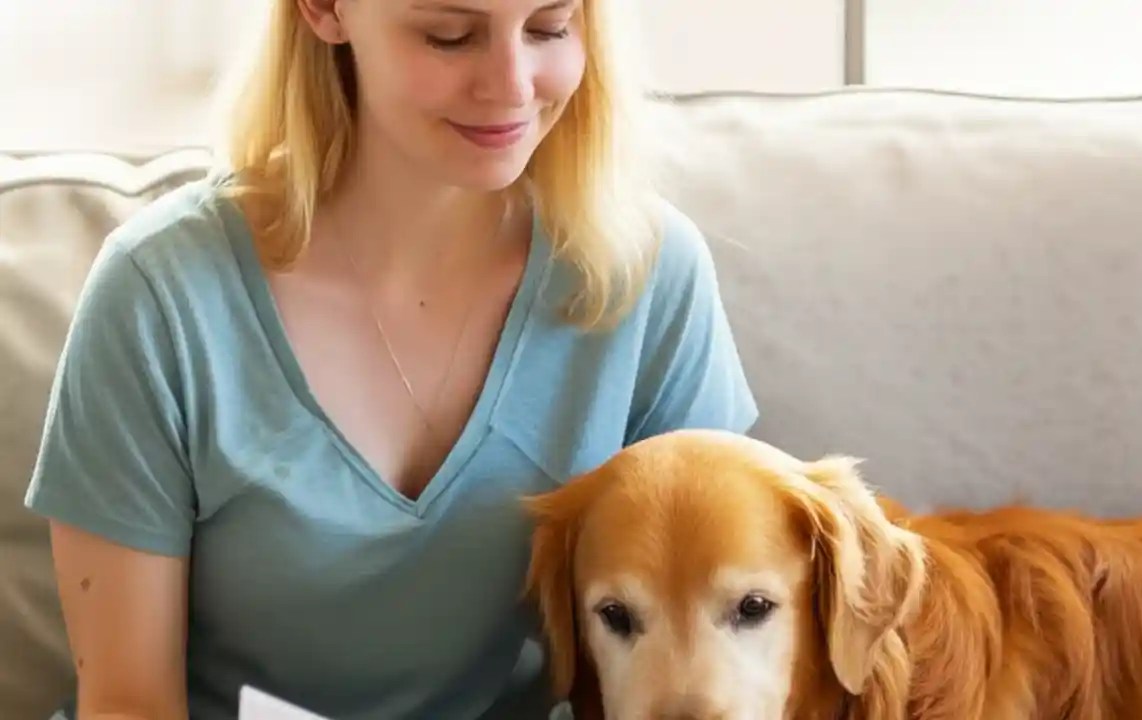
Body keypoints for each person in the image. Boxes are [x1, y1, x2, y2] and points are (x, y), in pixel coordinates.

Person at [24, 0, 756, 718]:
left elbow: (717, 637)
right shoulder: (160, 294)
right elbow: (128, 704)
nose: (511, 85)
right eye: (450, 35)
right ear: (323, 10)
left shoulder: (647, 274)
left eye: (549, 27)